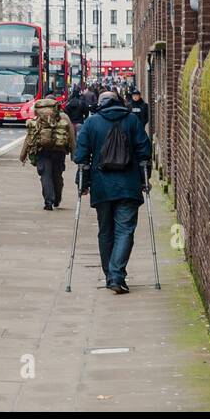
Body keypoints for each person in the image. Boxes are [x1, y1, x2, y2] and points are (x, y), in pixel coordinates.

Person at [73, 90, 153, 294]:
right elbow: (144, 151)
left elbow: (82, 156)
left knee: (105, 231)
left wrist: (82, 183)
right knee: (125, 230)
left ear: (100, 103)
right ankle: (116, 276)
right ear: (119, 102)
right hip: (128, 186)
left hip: (102, 187)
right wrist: (145, 179)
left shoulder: (92, 123)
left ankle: (111, 275)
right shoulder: (133, 121)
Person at [19, 96, 76, 210]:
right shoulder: (63, 117)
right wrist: (74, 154)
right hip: (59, 151)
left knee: (45, 176)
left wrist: (23, 154)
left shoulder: (39, 116)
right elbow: (71, 135)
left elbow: (30, 135)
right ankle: (57, 198)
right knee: (57, 175)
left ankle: (48, 201)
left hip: (42, 150)